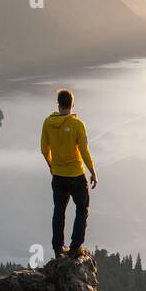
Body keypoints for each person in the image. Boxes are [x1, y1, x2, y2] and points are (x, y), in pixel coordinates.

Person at [40, 88, 98, 258]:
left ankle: (58, 248)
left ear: (58, 105)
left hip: (58, 176)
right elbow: (84, 151)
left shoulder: (48, 123)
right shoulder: (77, 125)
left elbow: (44, 149)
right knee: (82, 208)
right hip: (76, 176)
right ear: (72, 104)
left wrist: (51, 165)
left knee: (59, 210)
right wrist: (93, 172)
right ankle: (75, 247)